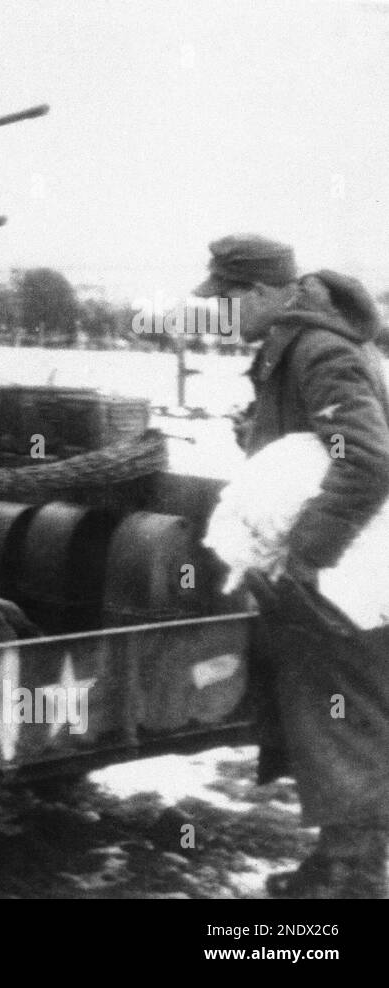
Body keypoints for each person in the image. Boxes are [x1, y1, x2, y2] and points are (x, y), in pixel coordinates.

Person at [194, 234, 389, 897]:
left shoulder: (318, 349)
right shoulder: (300, 343)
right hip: (344, 559)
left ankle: (353, 877)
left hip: (343, 567)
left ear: (258, 293)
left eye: (225, 300)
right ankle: (342, 860)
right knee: (330, 711)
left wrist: (306, 557)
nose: (220, 315)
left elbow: (365, 461)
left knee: (344, 712)